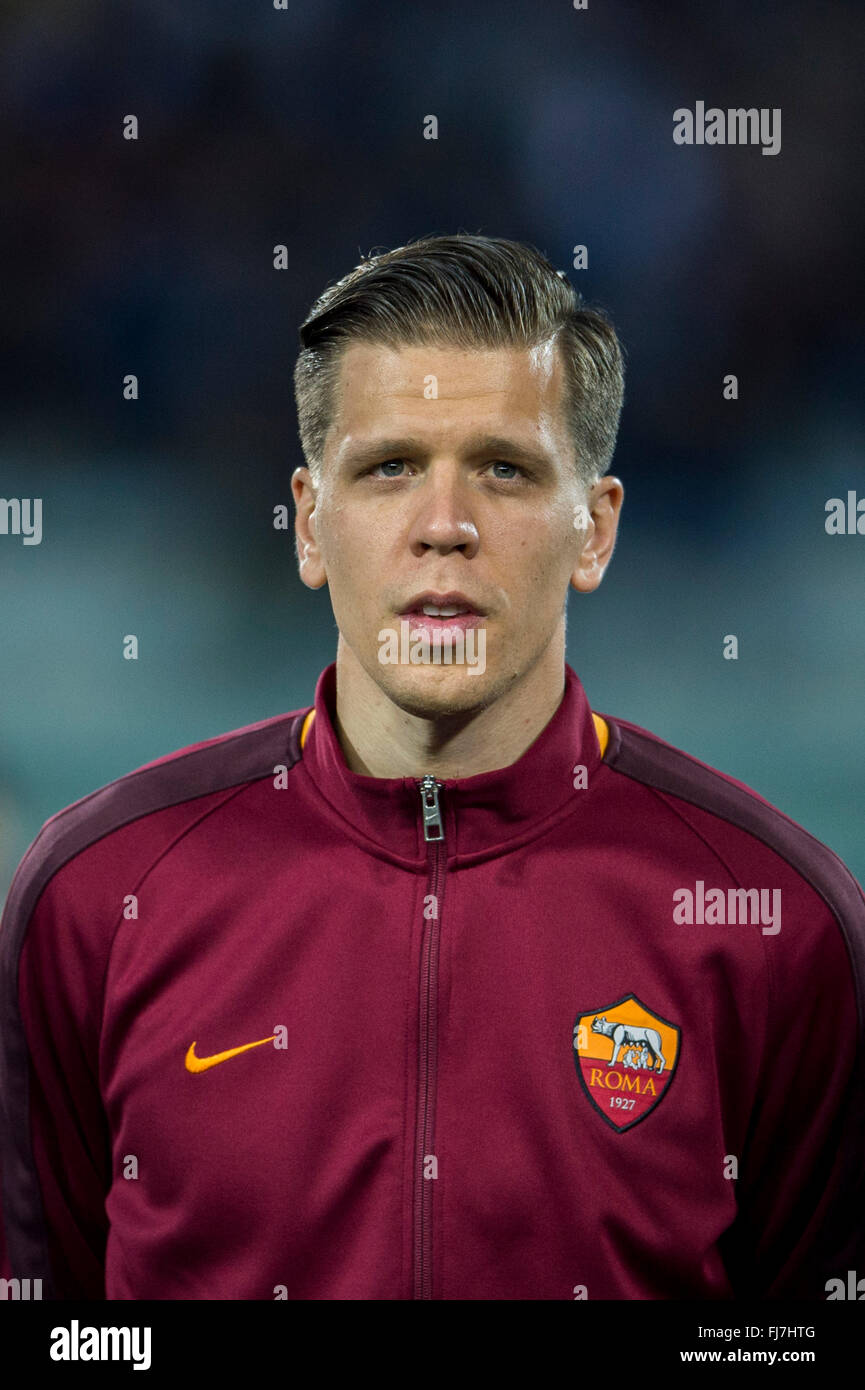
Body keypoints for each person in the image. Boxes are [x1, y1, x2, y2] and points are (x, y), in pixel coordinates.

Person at [1, 234, 863, 1301]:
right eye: (389, 467)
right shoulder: (99, 895)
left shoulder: (774, 914)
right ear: (311, 524)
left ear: (592, 532)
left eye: (504, 469)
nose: (444, 527)